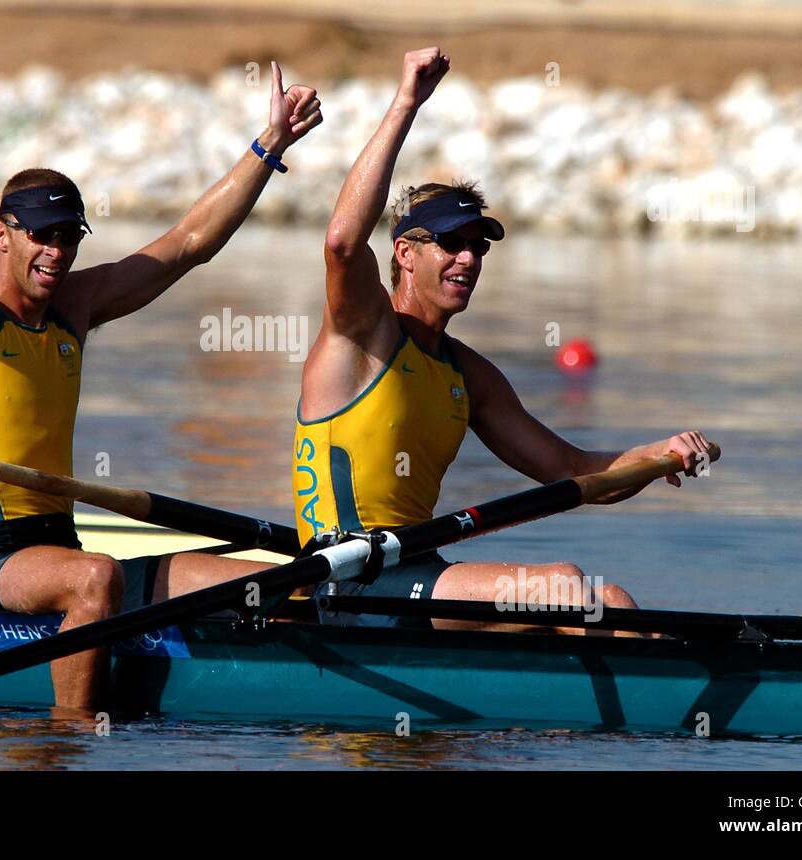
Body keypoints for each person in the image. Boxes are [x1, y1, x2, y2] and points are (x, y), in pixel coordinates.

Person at [0, 31, 323, 707]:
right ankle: (72, 738)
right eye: (39, 234)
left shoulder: (74, 310)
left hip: (65, 552)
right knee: (94, 580)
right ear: (2, 234)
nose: (55, 250)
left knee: (276, 584)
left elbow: (188, 245)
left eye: (67, 236)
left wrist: (270, 147)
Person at [291, 47, 710, 630]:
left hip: (413, 572)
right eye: (451, 242)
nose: (468, 258)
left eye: (478, 246)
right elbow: (341, 243)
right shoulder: (363, 332)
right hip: (346, 579)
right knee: (565, 587)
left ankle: (621, 711)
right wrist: (406, 103)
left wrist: (656, 455)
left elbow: (571, 470)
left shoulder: (469, 375)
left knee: (604, 599)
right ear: (404, 253)